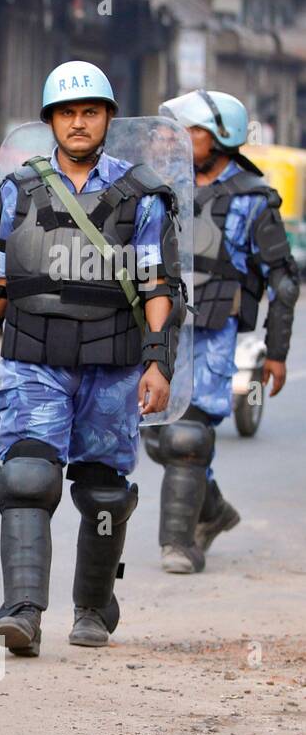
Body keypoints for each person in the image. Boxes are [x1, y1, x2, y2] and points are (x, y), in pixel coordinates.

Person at [0, 60, 186, 654]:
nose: (78, 123)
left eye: (90, 112)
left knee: (103, 489)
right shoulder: (17, 190)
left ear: (107, 119)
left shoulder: (143, 196)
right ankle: (22, 609)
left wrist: (158, 363)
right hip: (34, 359)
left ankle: (93, 605)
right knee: (26, 476)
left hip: (114, 360)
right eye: (67, 113)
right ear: (51, 120)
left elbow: (158, 288)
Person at [145, 89, 298, 573]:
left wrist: (276, 353)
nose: (178, 140)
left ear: (222, 138)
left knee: (187, 437)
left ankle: (179, 544)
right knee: (155, 433)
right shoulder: (163, 186)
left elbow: (284, 283)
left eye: (190, 132)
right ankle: (214, 512)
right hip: (160, 326)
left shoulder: (253, 199)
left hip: (214, 330)